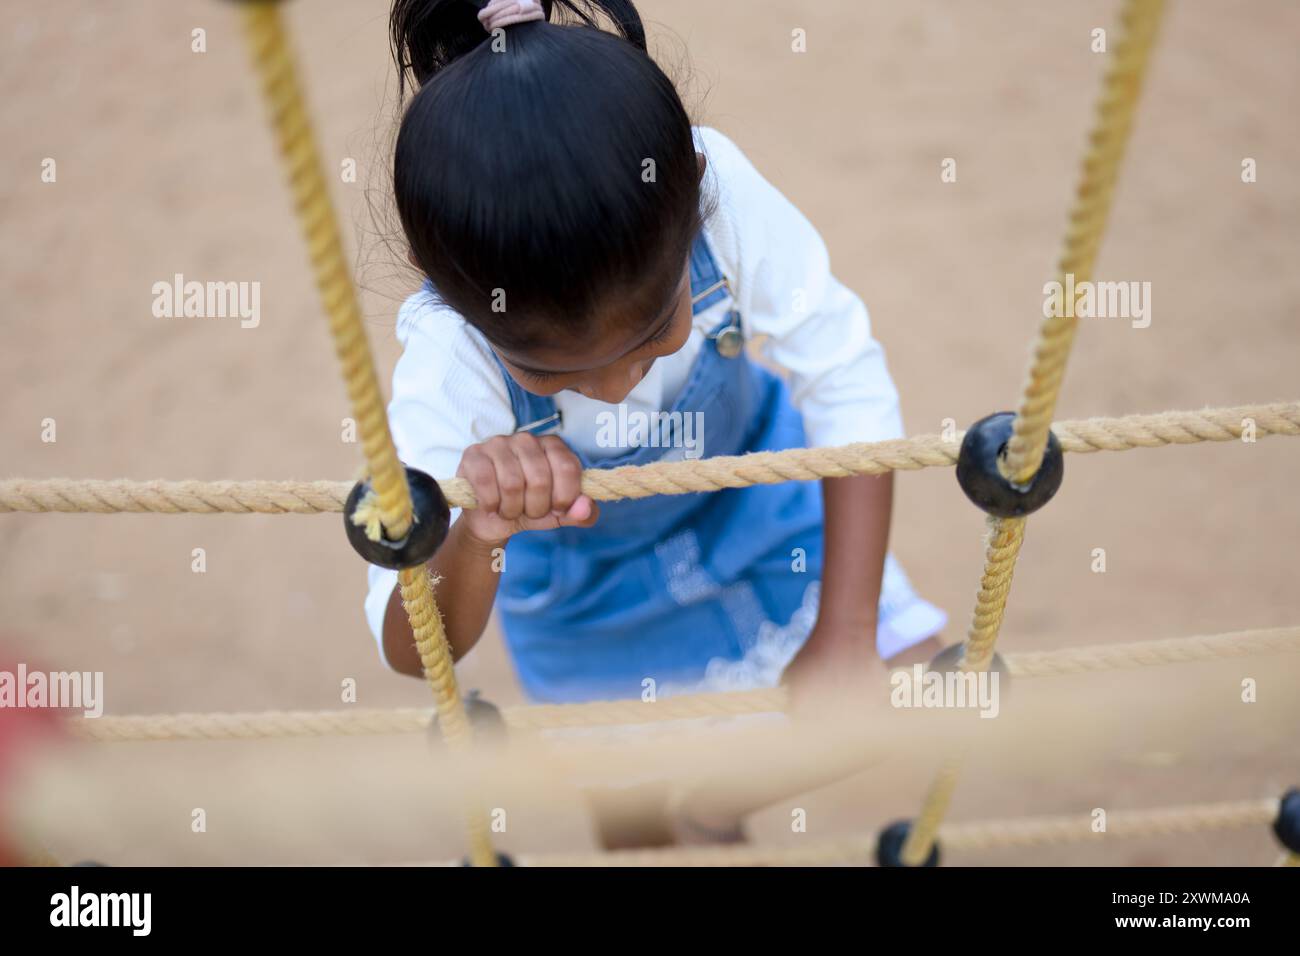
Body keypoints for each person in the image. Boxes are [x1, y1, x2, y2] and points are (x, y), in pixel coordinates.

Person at [367, 0, 946, 720]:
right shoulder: (451, 351)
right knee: (645, 822)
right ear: (445, 288)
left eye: (652, 333)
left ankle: (715, 802)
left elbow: (842, 372)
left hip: (757, 501)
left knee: (918, 694)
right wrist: (477, 530)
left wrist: (848, 630)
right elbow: (411, 649)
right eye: (550, 372)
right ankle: (703, 814)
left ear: (697, 188)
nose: (612, 390)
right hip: (591, 606)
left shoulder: (723, 199)